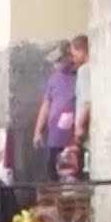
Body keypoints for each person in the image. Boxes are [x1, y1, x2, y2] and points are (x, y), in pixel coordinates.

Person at [32, 40, 79, 181]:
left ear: (69, 56)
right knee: (52, 172)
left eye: (59, 60)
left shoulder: (79, 77)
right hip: (54, 138)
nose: (56, 64)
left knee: (71, 173)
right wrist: (38, 132)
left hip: (72, 138)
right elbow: (46, 106)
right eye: (55, 61)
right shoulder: (53, 80)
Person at [70, 33, 90, 178]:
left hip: (86, 130)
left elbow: (87, 101)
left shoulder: (85, 71)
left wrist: (80, 128)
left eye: (74, 54)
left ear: (82, 50)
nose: (73, 58)